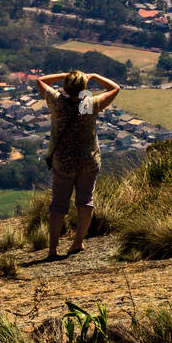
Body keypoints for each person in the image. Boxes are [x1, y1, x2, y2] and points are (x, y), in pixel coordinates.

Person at [35, 67, 120, 259]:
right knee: (85, 201)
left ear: (66, 85)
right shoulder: (89, 104)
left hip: (63, 161)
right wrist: (95, 75)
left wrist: (65, 76)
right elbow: (115, 88)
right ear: (84, 87)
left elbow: (41, 80)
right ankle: (78, 241)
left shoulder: (56, 102)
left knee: (58, 205)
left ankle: (52, 249)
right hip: (88, 160)